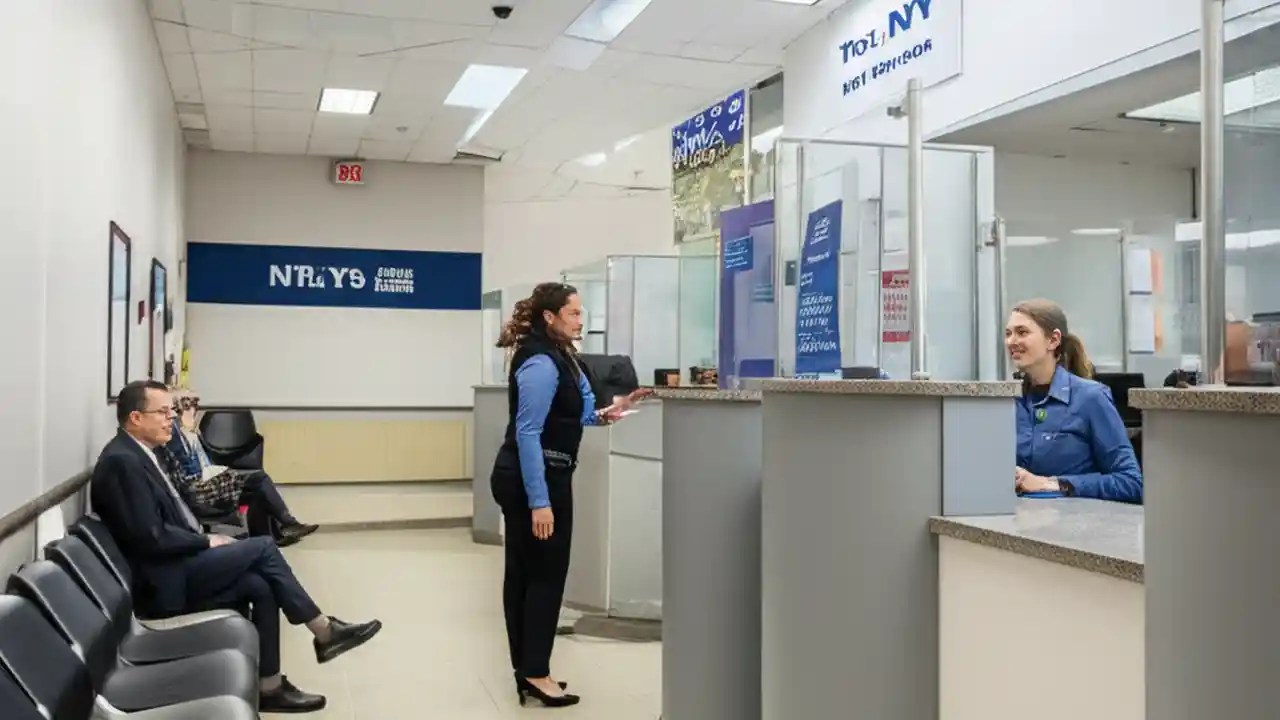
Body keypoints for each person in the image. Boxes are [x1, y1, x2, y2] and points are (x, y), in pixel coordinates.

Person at [90, 380, 383, 714]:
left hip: (177, 563)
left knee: (261, 586)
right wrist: (206, 540)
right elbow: (152, 537)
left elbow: (169, 515)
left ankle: (269, 686)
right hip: (164, 580)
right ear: (135, 418)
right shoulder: (122, 462)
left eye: (171, 411)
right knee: (263, 548)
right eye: (162, 412)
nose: (170, 418)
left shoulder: (142, 453)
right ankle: (324, 630)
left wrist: (203, 537)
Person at [490, 283, 648, 708]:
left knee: (530, 575)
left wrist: (609, 412)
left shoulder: (561, 357)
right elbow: (527, 433)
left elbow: (573, 415)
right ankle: (536, 673)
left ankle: (529, 669)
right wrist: (539, 500)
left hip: (545, 473)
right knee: (542, 575)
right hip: (533, 479)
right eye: (574, 313)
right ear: (550, 317)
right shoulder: (541, 362)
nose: (581, 320)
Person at [1005, 299, 1143, 503]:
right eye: (1008, 333)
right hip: (1017, 525)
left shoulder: (1090, 398)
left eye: (1022, 332)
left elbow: (1131, 483)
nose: (1011, 341)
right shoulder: (1010, 401)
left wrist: (1053, 483)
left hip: (1075, 527)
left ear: (1053, 340)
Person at [165, 389, 317, 546]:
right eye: (189, 404)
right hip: (196, 490)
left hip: (203, 483)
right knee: (259, 479)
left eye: (196, 404)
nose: (195, 410)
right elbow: (190, 469)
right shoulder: (176, 433)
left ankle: (268, 538)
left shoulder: (188, 433)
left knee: (257, 492)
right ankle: (287, 523)